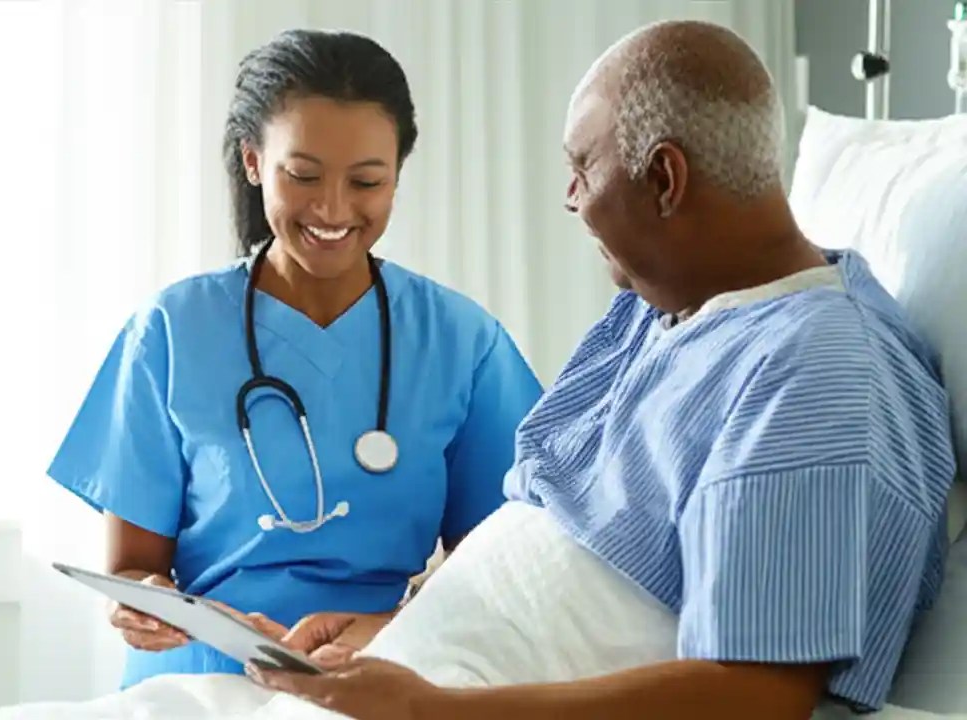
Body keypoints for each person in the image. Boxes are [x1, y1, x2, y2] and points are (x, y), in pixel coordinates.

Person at [249, 20, 958, 720]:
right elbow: (542, 531)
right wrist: (395, 632)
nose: (571, 197)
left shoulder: (819, 369)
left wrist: (427, 710)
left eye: (582, 167)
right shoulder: (661, 308)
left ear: (664, 179)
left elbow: (754, 694)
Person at [46, 28, 542, 688]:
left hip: (379, 678)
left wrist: (397, 621)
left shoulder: (461, 342)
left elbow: (503, 556)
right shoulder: (171, 331)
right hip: (198, 683)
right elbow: (134, 568)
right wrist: (140, 608)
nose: (332, 209)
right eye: (302, 175)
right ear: (253, 162)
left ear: (398, 174)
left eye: (367, 181)